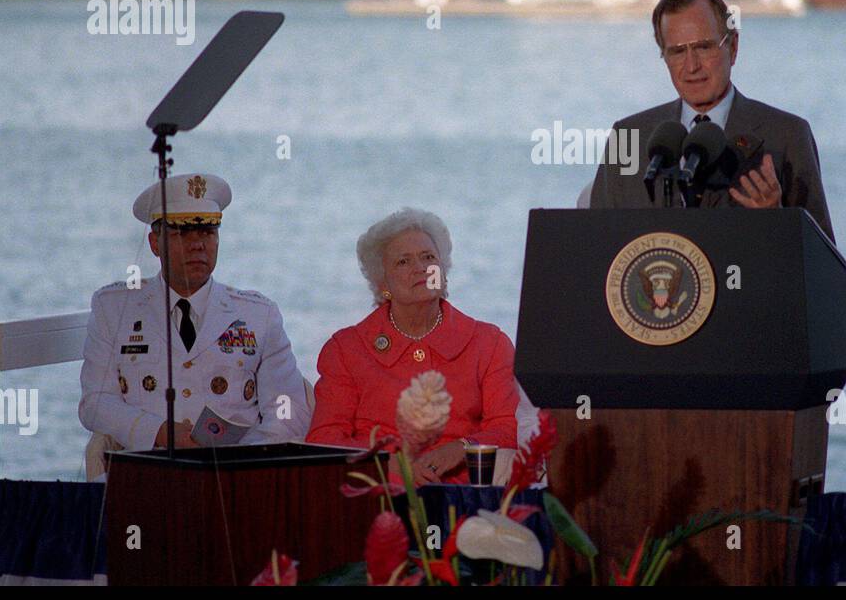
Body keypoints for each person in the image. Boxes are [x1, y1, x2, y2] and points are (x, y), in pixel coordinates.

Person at [78, 173, 312, 453]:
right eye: (181, 232)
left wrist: (242, 457)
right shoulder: (115, 309)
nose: (197, 244)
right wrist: (160, 432)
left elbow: (289, 409)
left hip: (233, 476)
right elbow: (96, 402)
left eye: (207, 232)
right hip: (150, 469)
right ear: (155, 243)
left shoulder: (258, 316)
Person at [589, 0, 835, 242]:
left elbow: (823, 264)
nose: (692, 66)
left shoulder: (787, 135)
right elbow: (596, 245)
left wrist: (777, 220)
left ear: (733, 47)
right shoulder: (627, 137)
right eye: (677, 52)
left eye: (704, 47)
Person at [306, 208, 521, 485]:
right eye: (403, 262)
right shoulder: (345, 350)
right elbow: (324, 439)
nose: (420, 268)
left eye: (428, 257)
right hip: (378, 493)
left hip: (464, 499)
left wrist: (463, 447)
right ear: (382, 283)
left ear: (443, 271)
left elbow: (510, 427)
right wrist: (389, 464)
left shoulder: (489, 343)